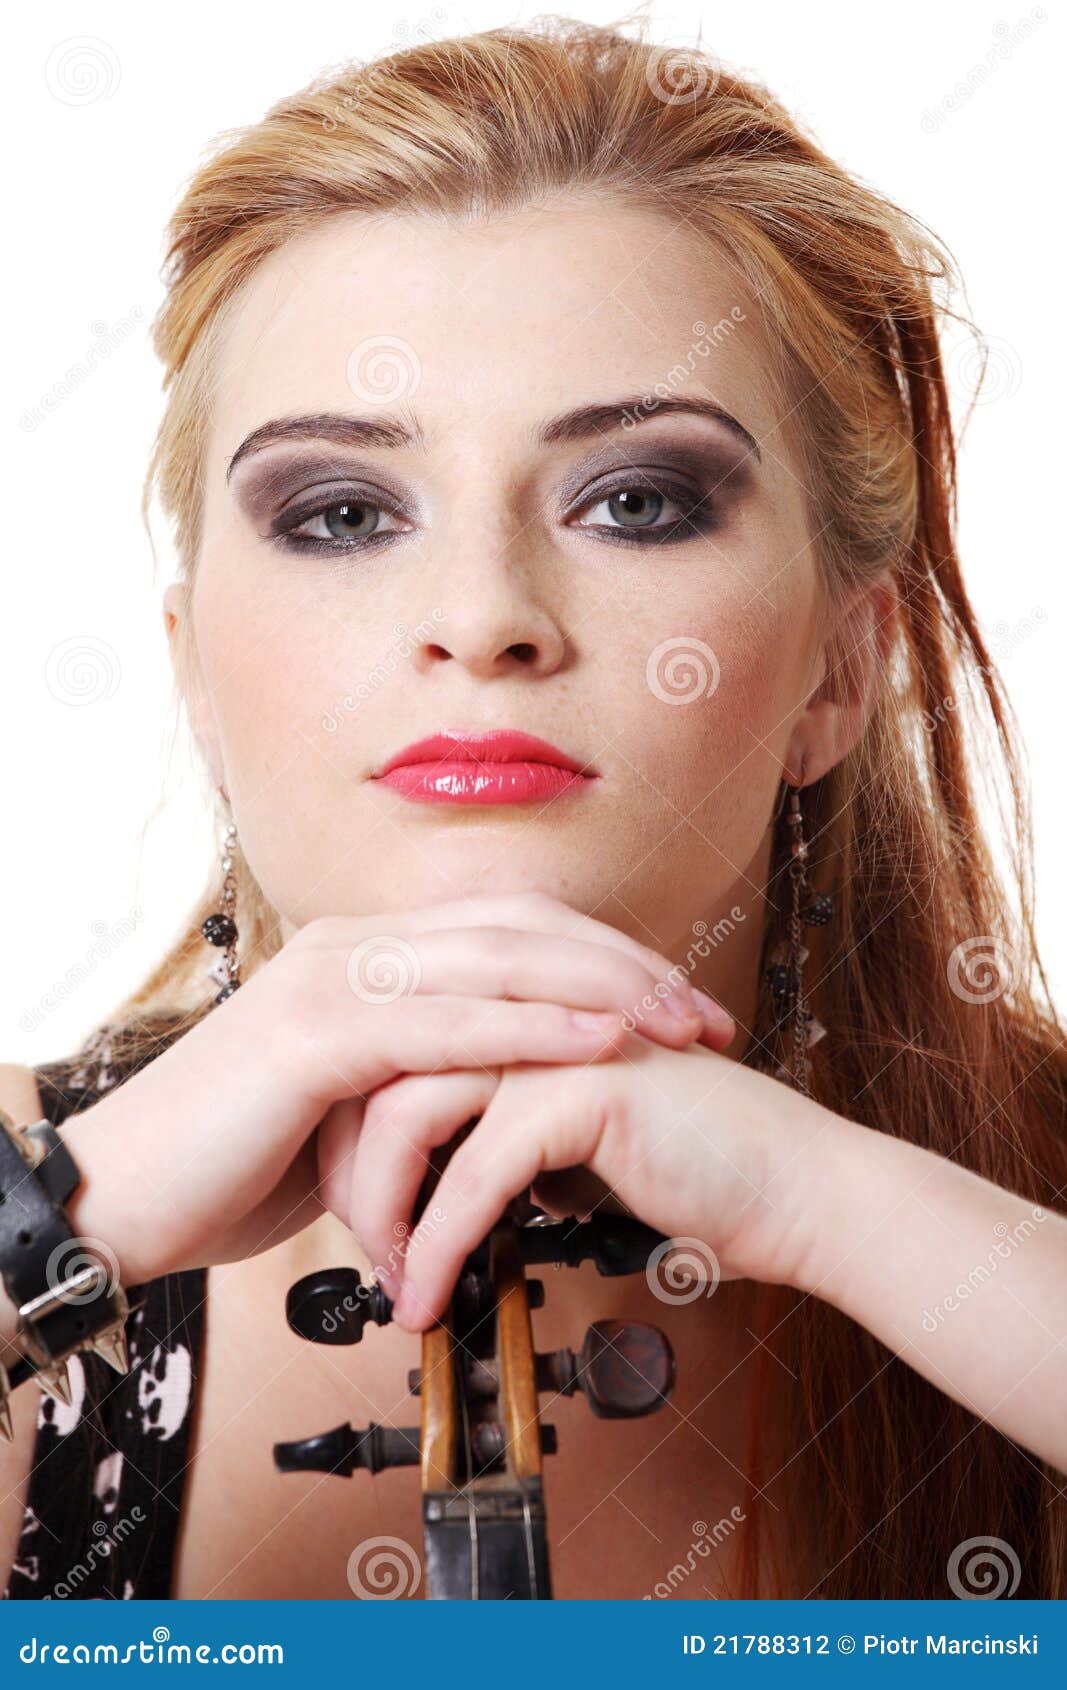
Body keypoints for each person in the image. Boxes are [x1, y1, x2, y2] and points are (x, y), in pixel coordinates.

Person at [2, 17, 1064, 1602]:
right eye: (345, 513)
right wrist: (58, 1227)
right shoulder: (44, 1173)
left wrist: (836, 1201)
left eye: (634, 500)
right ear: (197, 678)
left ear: (842, 669)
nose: (485, 615)